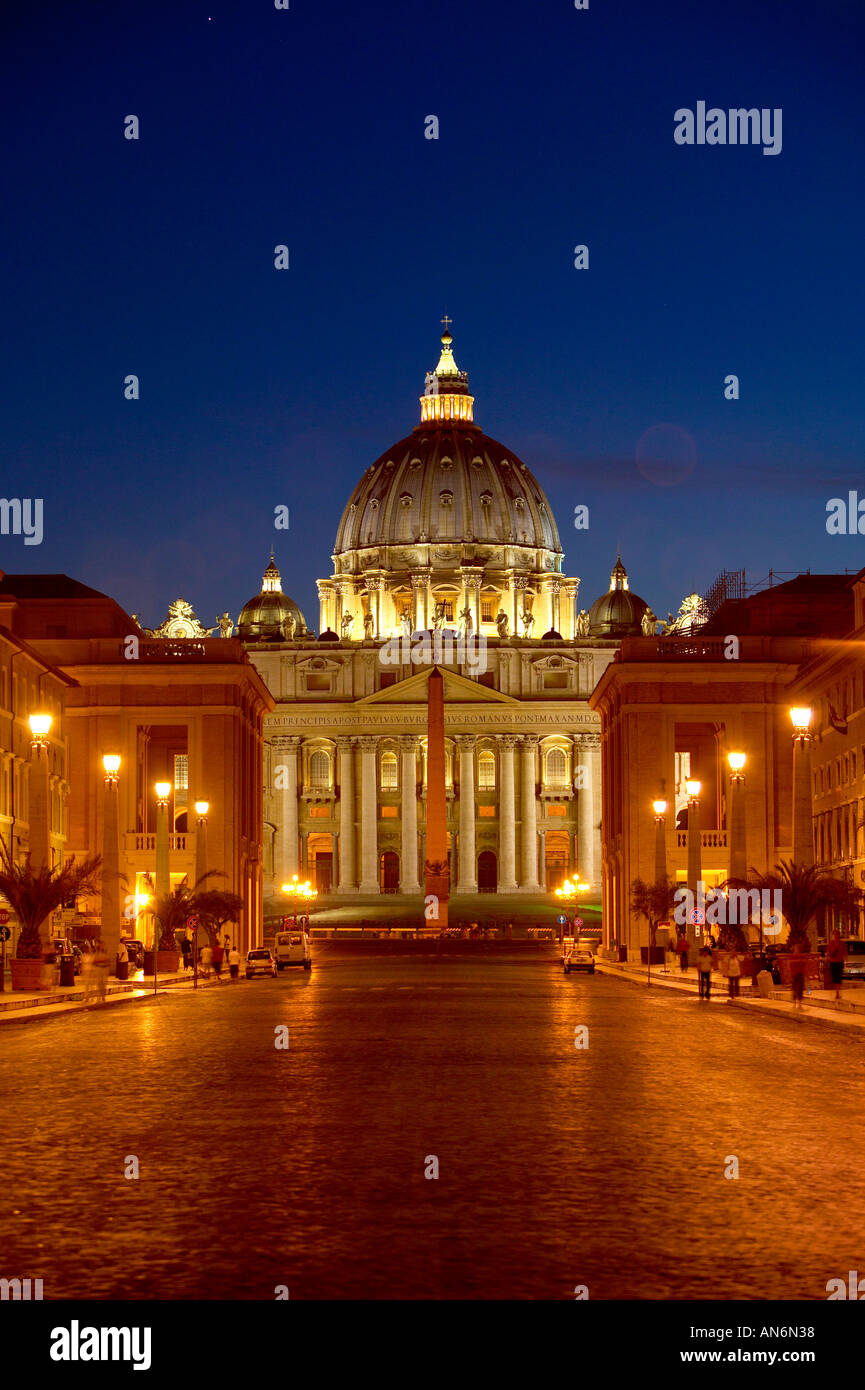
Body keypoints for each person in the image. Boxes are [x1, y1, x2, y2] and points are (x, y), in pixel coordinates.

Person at [826, 930, 847, 1004]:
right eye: (835, 935)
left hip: (840, 962)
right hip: (833, 962)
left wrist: (845, 961)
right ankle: (837, 991)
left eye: (837, 934)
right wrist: (828, 959)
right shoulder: (831, 943)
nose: (836, 936)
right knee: (835, 977)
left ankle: (837, 992)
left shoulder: (842, 943)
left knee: (839, 977)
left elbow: (845, 953)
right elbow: (828, 952)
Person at [92, 938, 110, 1003]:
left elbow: (107, 961)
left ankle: (103, 996)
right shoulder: (96, 952)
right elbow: (94, 961)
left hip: (104, 969)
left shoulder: (105, 952)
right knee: (99, 984)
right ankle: (99, 997)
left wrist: (100, 961)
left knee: (103, 984)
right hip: (98, 969)